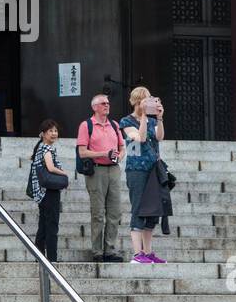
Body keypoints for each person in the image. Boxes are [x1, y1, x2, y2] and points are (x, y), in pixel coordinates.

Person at [76, 93, 125, 262]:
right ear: (94, 107)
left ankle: (110, 249)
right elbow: (82, 152)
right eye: (103, 103)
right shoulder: (86, 125)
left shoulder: (114, 125)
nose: (107, 105)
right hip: (96, 170)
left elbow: (122, 147)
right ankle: (97, 250)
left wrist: (120, 157)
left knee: (115, 212)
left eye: (108, 103)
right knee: (97, 212)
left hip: (114, 169)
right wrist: (104, 153)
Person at [120, 86, 166, 264]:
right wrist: (144, 118)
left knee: (153, 211)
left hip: (153, 169)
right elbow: (140, 137)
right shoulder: (126, 121)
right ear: (136, 102)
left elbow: (160, 137)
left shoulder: (153, 121)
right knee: (138, 208)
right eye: (144, 101)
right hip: (136, 170)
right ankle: (137, 254)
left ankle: (148, 252)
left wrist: (160, 118)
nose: (147, 104)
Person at [28, 119, 67, 262]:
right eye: (50, 131)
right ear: (43, 134)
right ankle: (52, 259)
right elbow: (50, 168)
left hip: (42, 193)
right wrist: (64, 173)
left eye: (55, 131)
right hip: (49, 191)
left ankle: (39, 257)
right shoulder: (46, 148)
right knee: (52, 226)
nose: (54, 133)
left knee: (43, 226)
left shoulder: (40, 147)